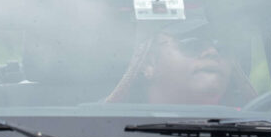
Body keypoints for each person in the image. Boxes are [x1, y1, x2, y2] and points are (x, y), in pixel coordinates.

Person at [104, 27, 256, 106]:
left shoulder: (266, 122)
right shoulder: (98, 127)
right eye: (192, 44)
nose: (212, 52)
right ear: (149, 63)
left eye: (221, 47)